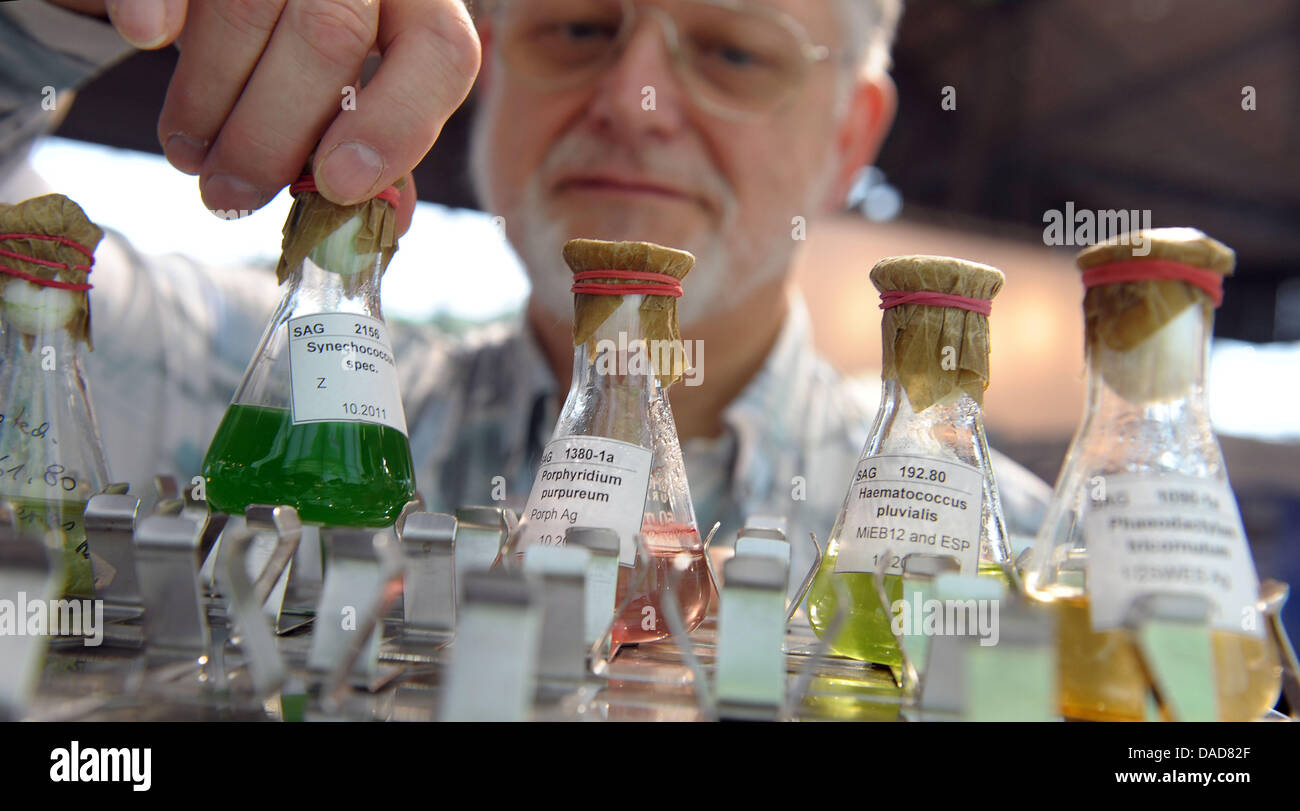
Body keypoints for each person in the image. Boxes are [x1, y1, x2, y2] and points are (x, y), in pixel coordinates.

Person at [1, 0, 1049, 587]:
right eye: (580, 31)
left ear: (849, 137)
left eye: (734, 53)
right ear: (488, 71)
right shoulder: (232, 390)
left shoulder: (1032, 553)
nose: (633, 107)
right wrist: (47, 18)